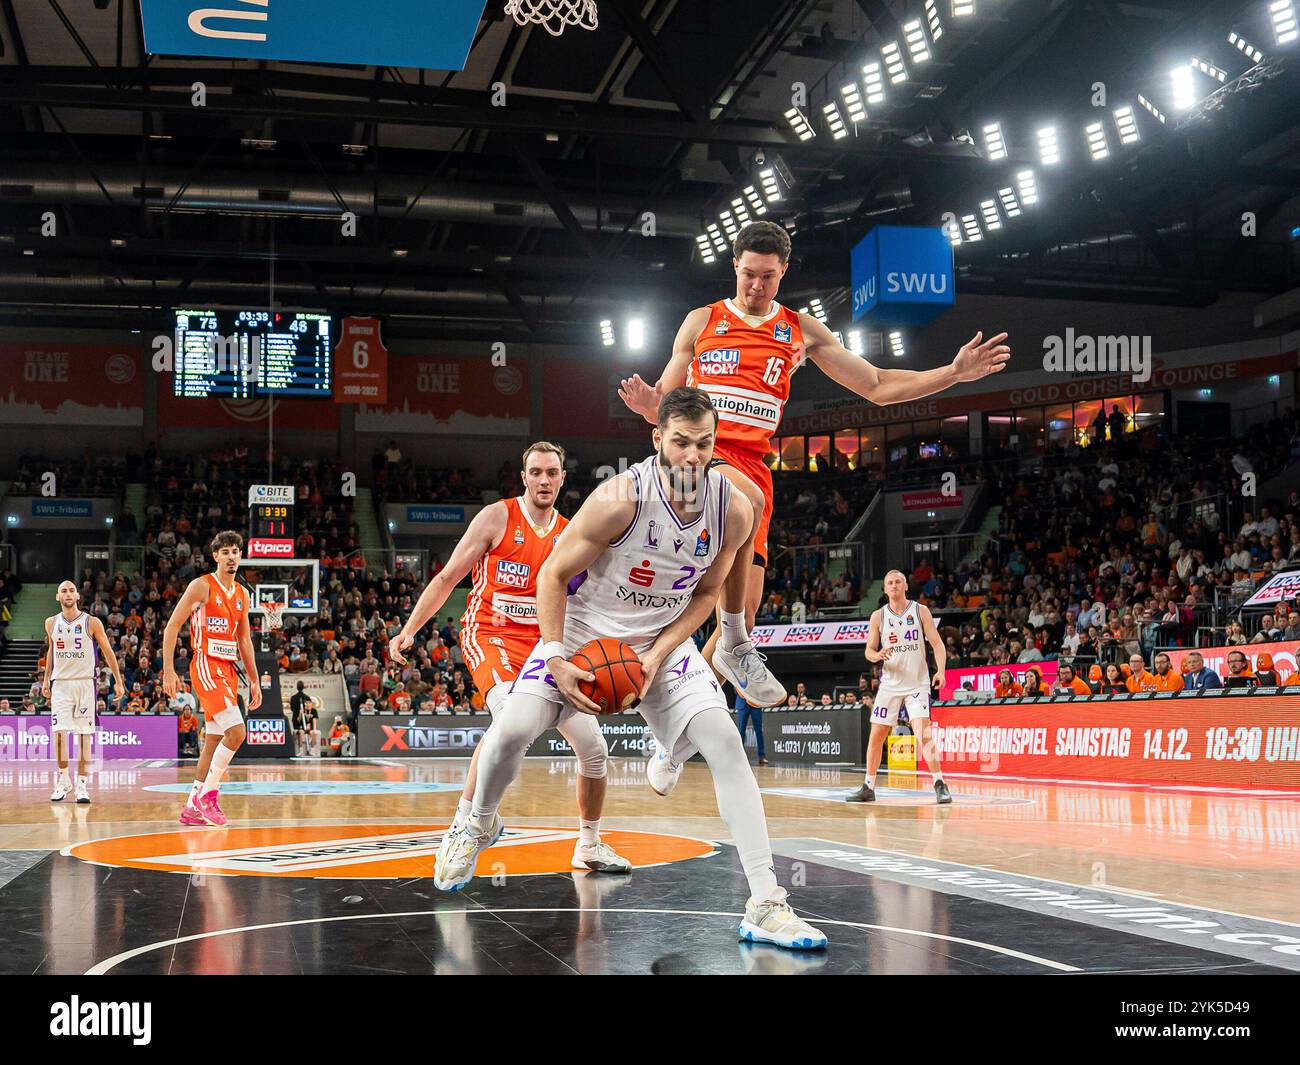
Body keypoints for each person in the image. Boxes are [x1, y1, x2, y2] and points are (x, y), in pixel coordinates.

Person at [436, 387, 826, 950]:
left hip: (659, 638)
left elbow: (709, 593)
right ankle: (477, 824)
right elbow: (551, 577)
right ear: (658, 440)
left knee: (724, 741)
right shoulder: (619, 498)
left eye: (704, 444)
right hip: (581, 632)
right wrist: (552, 655)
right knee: (511, 732)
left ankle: (767, 901)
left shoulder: (732, 510)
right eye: (681, 443)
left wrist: (657, 653)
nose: (693, 456)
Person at [618, 221, 1010, 710]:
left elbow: (878, 385)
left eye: (767, 276)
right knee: (748, 505)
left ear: (783, 272)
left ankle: (675, 730)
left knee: (743, 608)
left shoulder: (799, 330)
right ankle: (736, 647)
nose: (757, 285)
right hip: (696, 452)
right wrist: (649, 405)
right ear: (734, 267)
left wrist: (952, 374)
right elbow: (665, 402)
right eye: (748, 275)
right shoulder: (701, 321)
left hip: (752, 464)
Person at [389, 441, 629, 876]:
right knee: (507, 724)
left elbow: (587, 602)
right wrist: (410, 629)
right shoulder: (497, 516)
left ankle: (589, 846)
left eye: (552, 472)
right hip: (491, 634)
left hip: (547, 646)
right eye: (535, 472)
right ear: (523, 477)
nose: (543, 480)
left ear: (561, 478)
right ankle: (465, 827)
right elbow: (447, 577)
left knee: (594, 749)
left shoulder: (572, 530)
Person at [162, 530, 261, 827]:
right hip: (205, 663)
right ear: (215, 556)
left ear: (240, 556)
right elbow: (171, 627)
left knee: (214, 740)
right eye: (225, 552)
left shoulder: (243, 594)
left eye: (235, 551)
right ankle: (210, 795)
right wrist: (169, 670)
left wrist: (254, 680)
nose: (231, 557)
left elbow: (244, 642)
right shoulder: (201, 586)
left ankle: (192, 805)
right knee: (237, 732)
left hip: (229, 671)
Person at [850, 569, 952, 805]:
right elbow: (868, 651)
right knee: (876, 736)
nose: (894, 585)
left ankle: (939, 783)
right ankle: (868, 786)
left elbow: (937, 644)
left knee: (923, 733)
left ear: (906, 586)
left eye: (898, 582)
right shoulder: (878, 616)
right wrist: (877, 655)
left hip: (917, 683)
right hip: (890, 684)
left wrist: (941, 670)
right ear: (885, 589)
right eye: (889, 583)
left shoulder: (920, 611)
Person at [43, 580, 124, 804]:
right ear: (57, 597)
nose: (68, 594)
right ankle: (63, 780)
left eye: (71, 590)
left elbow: (108, 651)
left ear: (78, 596)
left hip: (85, 684)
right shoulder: (51, 623)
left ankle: (81, 785)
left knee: (84, 737)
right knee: (59, 734)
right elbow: (52, 650)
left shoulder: (92, 622)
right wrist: (46, 679)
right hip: (61, 684)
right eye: (63, 591)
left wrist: (118, 680)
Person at [734, 690, 767, 766]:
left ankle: (761, 756)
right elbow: (735, 689)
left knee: (759, 731)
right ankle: (739, 756)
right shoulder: (739, 677)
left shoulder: (755, 677)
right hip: (742, 704)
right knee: (741, 731)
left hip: (755, 704)